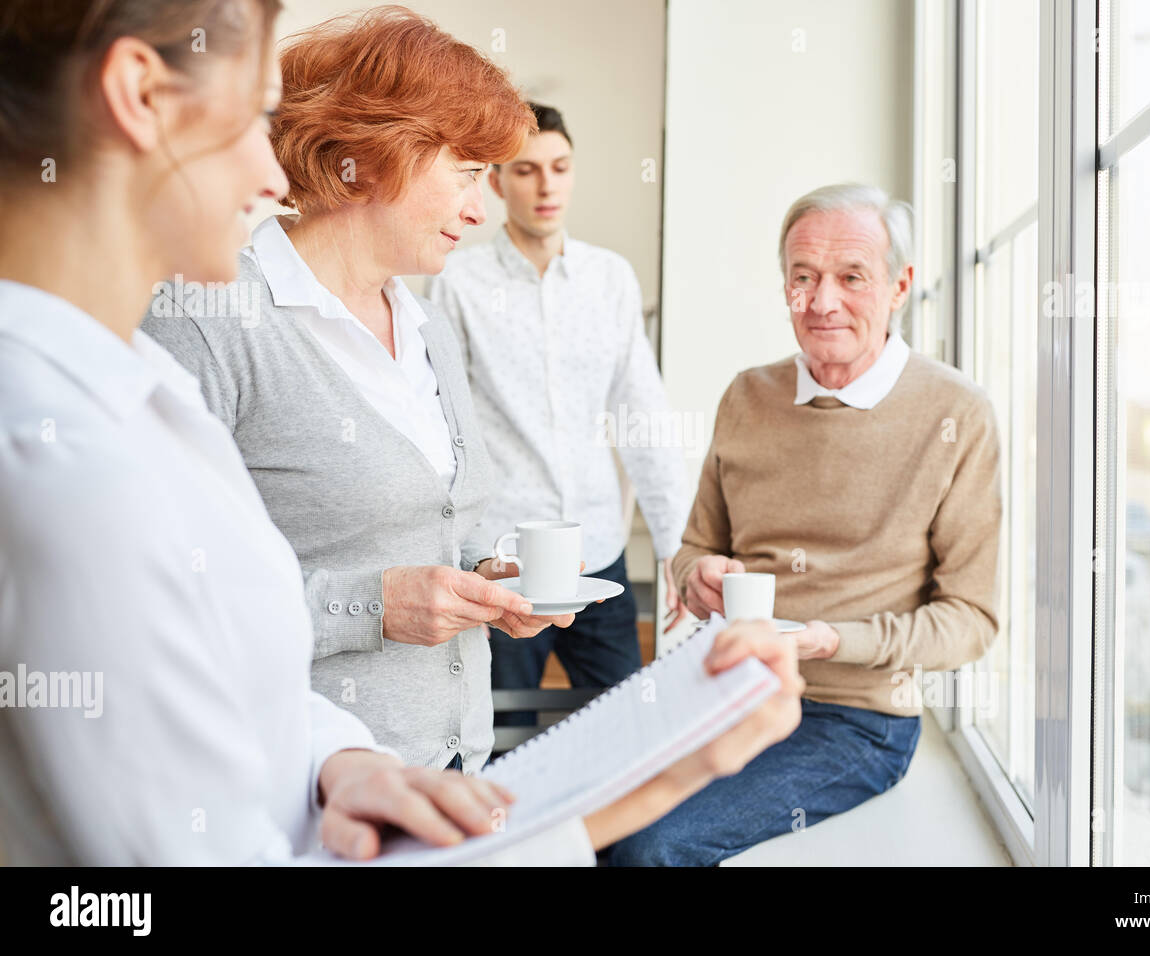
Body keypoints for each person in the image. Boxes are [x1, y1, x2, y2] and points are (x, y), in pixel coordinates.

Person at [0, 0, 802, 866]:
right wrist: (661, 780)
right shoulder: (130, 388)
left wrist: (338, 758)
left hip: (422, 764)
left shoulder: (417, 324)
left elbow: (226, 625)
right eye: (466, 172)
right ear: (363, 160)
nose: (271, 176)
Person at [142, 8, 581, 770]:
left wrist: (485, 578)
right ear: (378, 155)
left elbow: (437, 526)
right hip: (295, 790)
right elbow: (159, 596)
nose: (481, 211)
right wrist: (373, 606)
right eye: (466, 174)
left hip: (448, 775)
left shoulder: (426, 327)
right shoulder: (212, 320)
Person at [607, 184, 1003, 866]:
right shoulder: (747, 395)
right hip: (727, 686)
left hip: (855, 719)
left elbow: (972, 620)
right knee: (575, 817)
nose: (822, 302)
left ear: (900, 285)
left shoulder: (957, 413)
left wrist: (833, 641)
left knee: (653, 846)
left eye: (852, 277)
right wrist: (695, 574)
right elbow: (697, 547)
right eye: (803, 277)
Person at [431, 103, 688, 717]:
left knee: (628, 730)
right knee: (493, 735)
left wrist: (676, 545)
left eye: (560, 167)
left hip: (600, 556)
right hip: (504, 560)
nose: (546, 185)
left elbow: (642, 415)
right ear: (495, 182)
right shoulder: (458, 283)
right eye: (526, 171)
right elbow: (444, 430)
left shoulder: (611, 280)